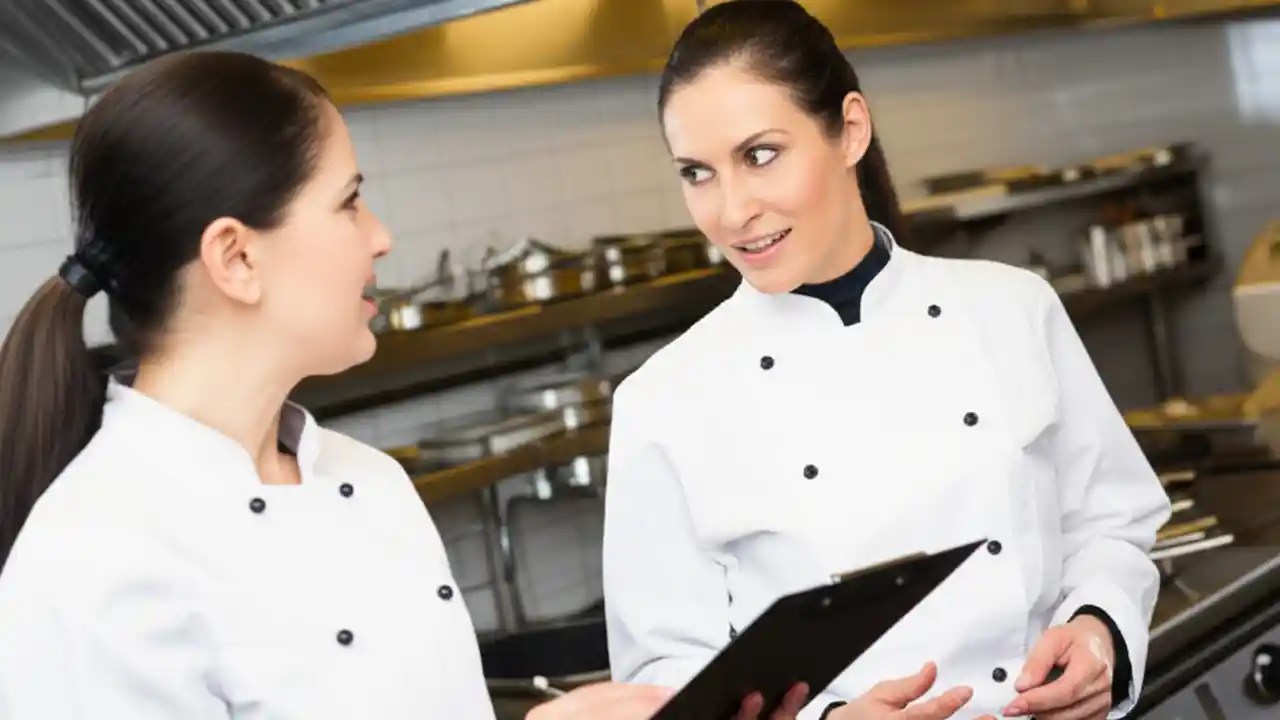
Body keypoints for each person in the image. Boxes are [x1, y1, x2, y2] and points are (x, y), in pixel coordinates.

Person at [0, 51, 674, 720]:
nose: (380, 237)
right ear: (236, 259)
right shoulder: (90, 565)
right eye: (349, 203)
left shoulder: (372, 480)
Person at [602, 2, 1173, 720]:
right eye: (697, 172)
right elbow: (666, 685)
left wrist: (1100, 630)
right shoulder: (664, 400)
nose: (730, 210)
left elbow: (1112, 524)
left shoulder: (1012, 309)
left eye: (760, 155)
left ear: (851, 130)